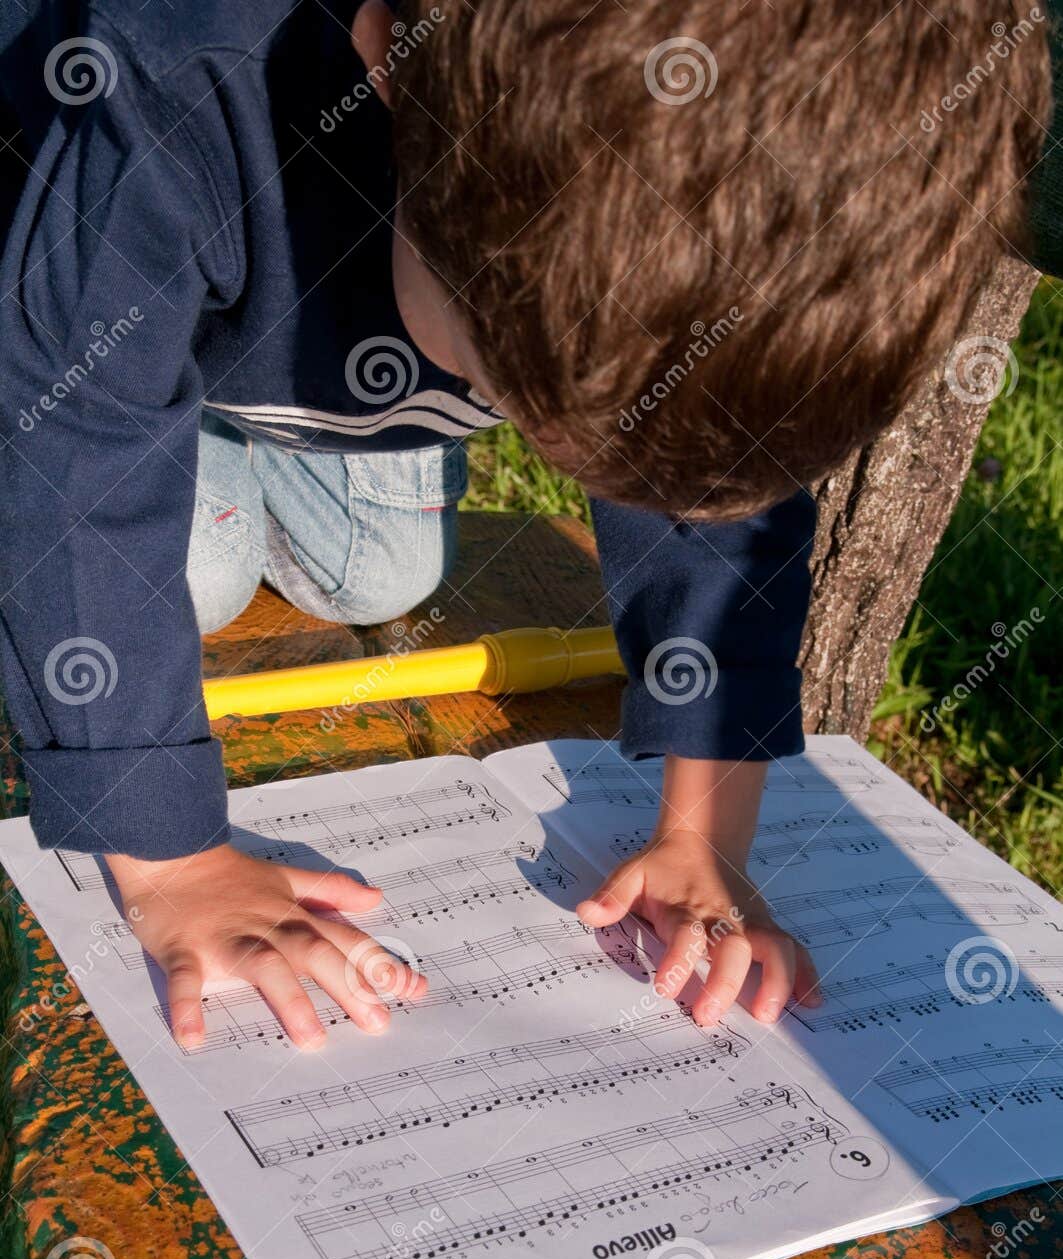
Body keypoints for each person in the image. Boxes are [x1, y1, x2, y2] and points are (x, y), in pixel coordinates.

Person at [0, 1, 1053, 1047]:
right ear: (390, 67)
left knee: (377, 576)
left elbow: (710, 502)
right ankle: (190, 411)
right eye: (508, 376)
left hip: (317, 345)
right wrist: (172, 861)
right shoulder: (182, 68)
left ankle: (220, 415)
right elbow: (64, 434)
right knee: (194, 580)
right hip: (94, 314)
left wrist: (703, 839)